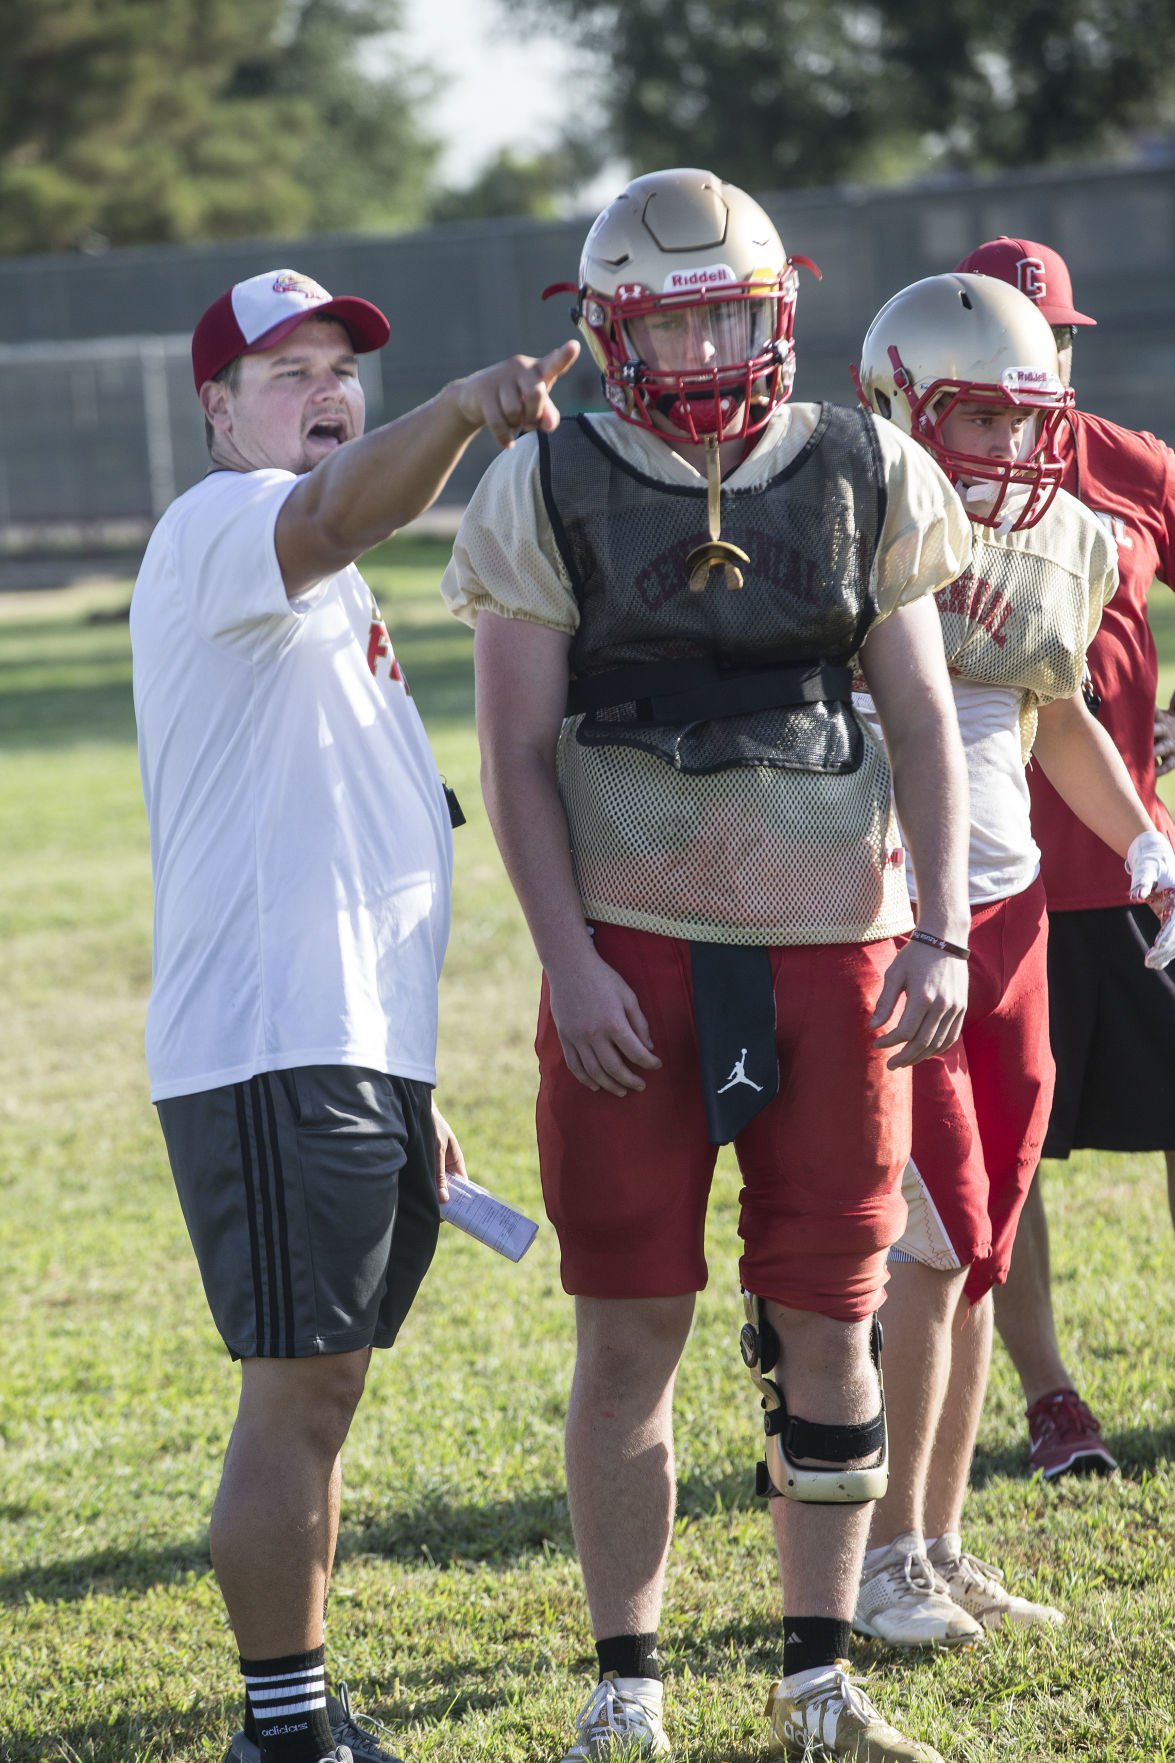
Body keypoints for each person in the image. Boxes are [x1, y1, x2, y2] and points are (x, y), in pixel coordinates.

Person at [442, 167, 976, 1763]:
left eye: (729, 309)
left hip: (834, 945)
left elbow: (925, 717)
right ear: (607, 326)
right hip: (633, 959)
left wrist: (940, 921)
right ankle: (629, 1683)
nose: (701, 342)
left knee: (831, 1310)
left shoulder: (865, 466)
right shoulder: (543, 485)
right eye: (670, 312)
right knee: (630, 1324)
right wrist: (567, 959)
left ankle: (814, 1673)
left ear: (781, 309)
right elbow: (518, 750)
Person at [130, 266, 579, 1763]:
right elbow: (330, 517)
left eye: (342, 366)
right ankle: (282, 1724)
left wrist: (403, 1069)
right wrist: (461, 408)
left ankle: (299, 1705)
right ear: (215, 409)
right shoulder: (223, 529)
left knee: (327, 1383)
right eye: (284, 371)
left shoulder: (319, 589)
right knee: (297, 1385)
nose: (325, 388)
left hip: (341, 1046)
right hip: (267, 1039)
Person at [850, 272, 1175, 1648]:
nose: (1003, 442)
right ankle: (873, 1559)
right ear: (899, 402)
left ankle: (934, 1537)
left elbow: (1047, 717)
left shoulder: (1052, 531)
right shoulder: (840, 511)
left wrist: (1144, 841)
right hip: (886, 919)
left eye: (1019, 412)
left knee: (973, 1248)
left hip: (1014, 911)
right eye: (972, 411)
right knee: (923, 1245)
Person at [951, 236, 1175, 1479]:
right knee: (1009, 1153)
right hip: (992, 875)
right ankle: (1050, 1395)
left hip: (1132, 867)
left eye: (1052, 343)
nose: (1037, 364)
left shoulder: (1125, 464)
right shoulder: (916, 478)